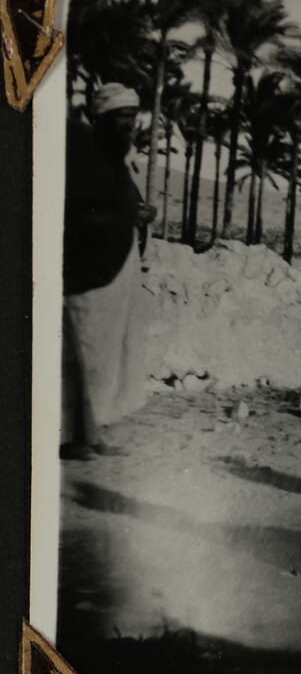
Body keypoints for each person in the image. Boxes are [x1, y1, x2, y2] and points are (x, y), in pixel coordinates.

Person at [60, 83, 155, 460]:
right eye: (122, 118)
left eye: (133, 118)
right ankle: (70, 438)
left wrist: (138, 210)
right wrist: (126, 214)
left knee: (110, 353)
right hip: (90, 270)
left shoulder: (113, 155)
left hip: (116, 265)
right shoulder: (83, 151)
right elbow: (79, 210)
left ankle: (92, 432)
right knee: (84, 352)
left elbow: (117, 199)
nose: (130, 126)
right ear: (100, 118)